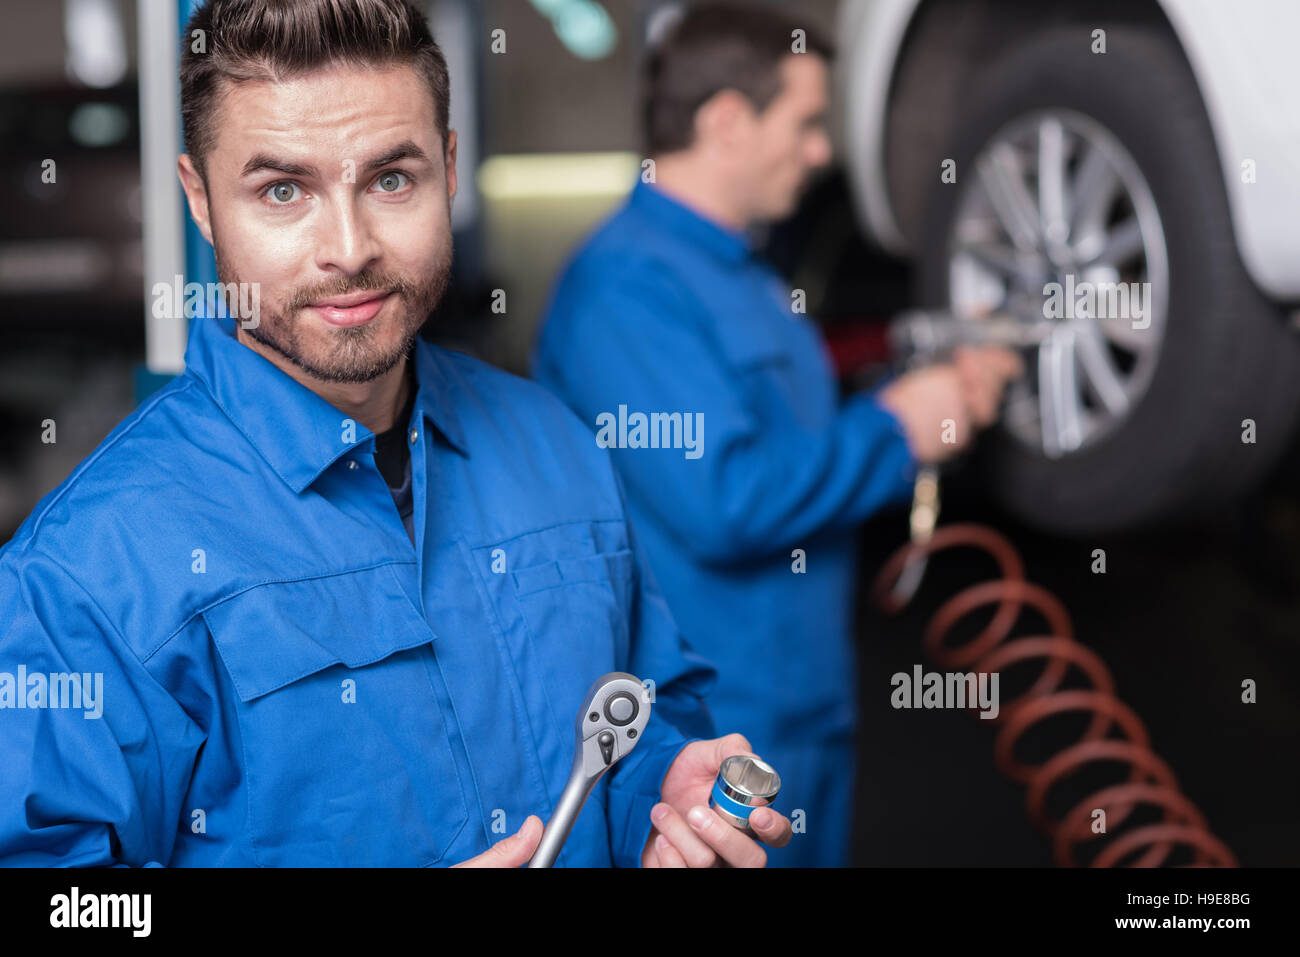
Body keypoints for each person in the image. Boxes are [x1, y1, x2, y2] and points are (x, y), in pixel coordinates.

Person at [0, 0, 794, 868]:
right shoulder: (84, 571)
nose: (348, 249)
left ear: (449, 168)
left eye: (389, 179)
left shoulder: (554, 446)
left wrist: (660, 795)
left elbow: (639, 706)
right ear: (199, 200)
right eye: (282, 190)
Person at [533, 3, 1022, 866]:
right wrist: (898, 428)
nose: (821, 151)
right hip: (715, 731)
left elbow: (785, 440)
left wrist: (912, 399)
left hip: (805, 706)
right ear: (726, 122)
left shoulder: (742, 273)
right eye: (804, 124)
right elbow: (728, 498)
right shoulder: (627, 289)